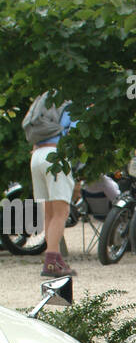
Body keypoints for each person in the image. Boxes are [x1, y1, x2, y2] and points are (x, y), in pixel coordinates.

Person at [28, 103, 77, 277]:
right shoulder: (73, 102)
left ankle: (54, 258)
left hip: (36, 155)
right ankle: (51, 262)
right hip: (56, 156)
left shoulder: (47, 100)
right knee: (61, 212)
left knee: (49, 212)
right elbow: (74, 132)